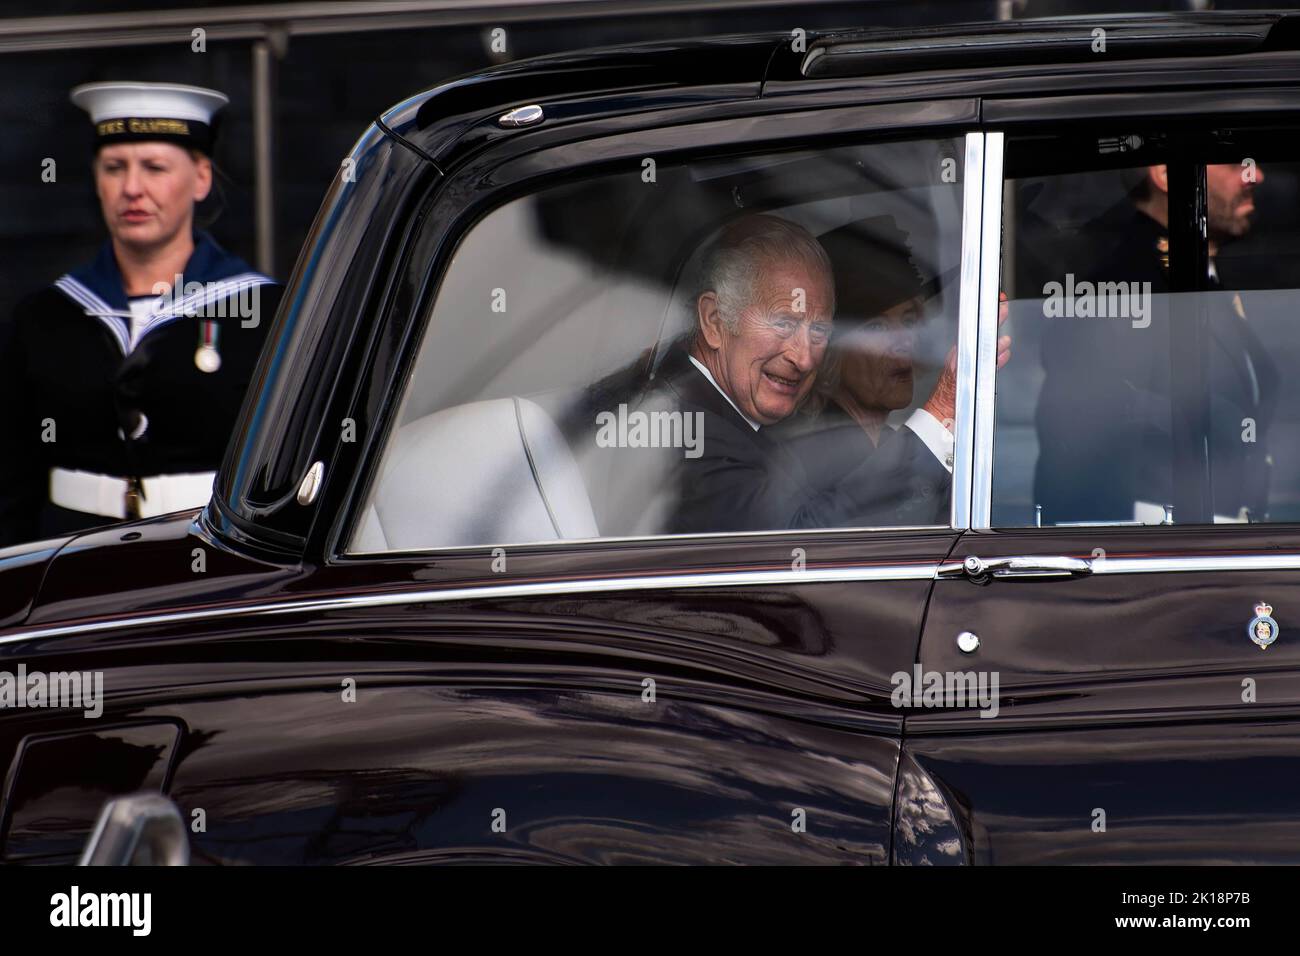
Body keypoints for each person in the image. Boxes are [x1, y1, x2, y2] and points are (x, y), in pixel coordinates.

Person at [0, 82, 282, 546]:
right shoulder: (45, 316)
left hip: (210, 559)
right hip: (67, 561)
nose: (132, 188)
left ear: (201, 178)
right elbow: (12, 477)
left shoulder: (264, 314)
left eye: (154, 168)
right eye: (114, 168)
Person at [599, 214, 980, 535]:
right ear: (715, 321)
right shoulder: (683, 425)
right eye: (783, 322)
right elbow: (804, 540)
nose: (804, 358)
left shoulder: (725, 414)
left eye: (819, 332)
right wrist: (944, 408)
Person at [1033, 162, 1277, 524]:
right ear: (1165, 175)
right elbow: (1085, 445)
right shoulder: (1123, 285)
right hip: (1156, 542)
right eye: (1231, 162)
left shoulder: (1192, 277)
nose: (1254, 175)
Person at [772, 217, 1010, 523]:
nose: (903, 342)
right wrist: (943, 406)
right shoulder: (803, 456)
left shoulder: (886, 441)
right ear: (829, 355)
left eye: (909, 321)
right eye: (876, 328)